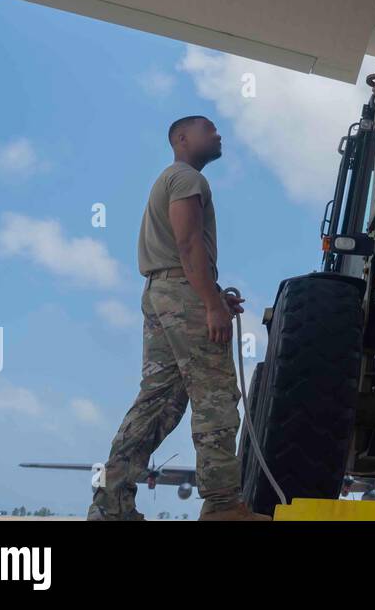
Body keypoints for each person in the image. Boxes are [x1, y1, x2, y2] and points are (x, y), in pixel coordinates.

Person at [88, 115, 267, 521]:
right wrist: (210, 303)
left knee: (157, 403)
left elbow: (177, 252)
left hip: (159, 294)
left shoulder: (169, 179)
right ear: (182, 139)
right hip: (182, 296)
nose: (219, 135)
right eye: (210, 130)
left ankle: (110, 508)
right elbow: (187, 244)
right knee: (215, 396)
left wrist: (213, 296)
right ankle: (223, 507)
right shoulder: (187, 179)